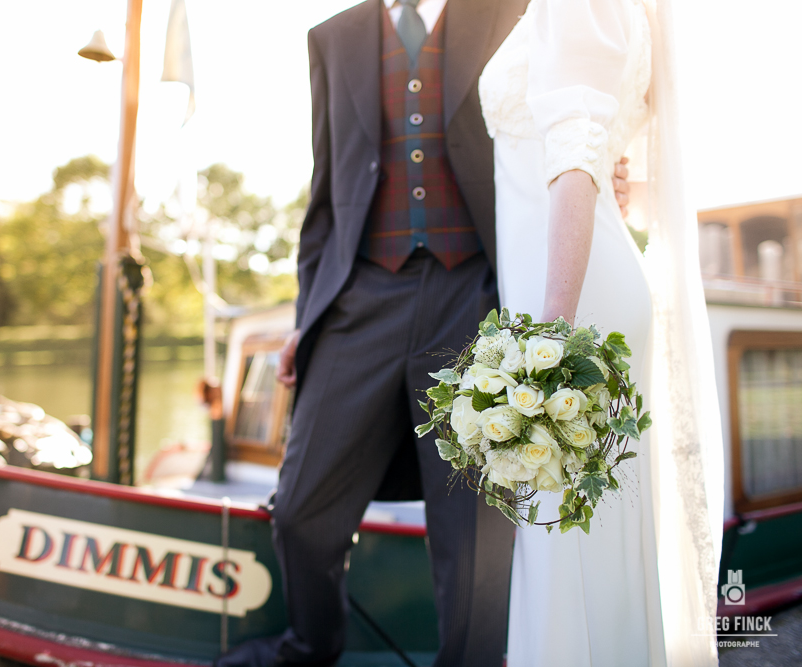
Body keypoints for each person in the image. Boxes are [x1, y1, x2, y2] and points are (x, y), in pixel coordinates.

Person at [215, 1, 635, 666]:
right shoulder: (333, 38)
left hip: (474, 292)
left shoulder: (510, 10)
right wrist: (306, 316)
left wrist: (607, 162)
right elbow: (327, 192)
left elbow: (560, 118)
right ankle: (309, 646)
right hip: (359, 296)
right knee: (299, 509)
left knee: (472, 533)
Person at [478, 0, 724, 665]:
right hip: (573, 282)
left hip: (571, 300)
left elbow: (579, 156)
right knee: (577, 542)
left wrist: (551, 334)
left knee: (569, 541)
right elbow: (601, 149)